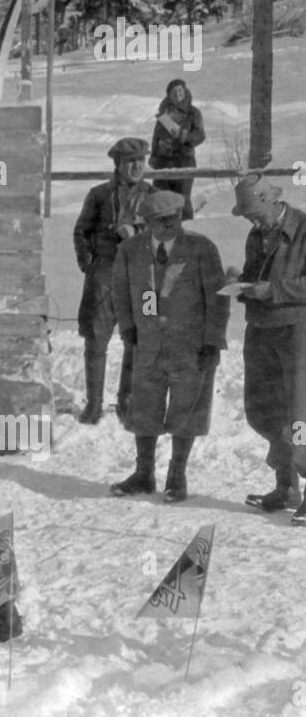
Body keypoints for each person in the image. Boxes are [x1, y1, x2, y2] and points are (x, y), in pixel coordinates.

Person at [109, 190, 228, 501]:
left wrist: (213, 341)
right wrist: (128, 328)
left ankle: (177, 476)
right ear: (147, 222)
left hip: (191, 346)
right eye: (161, 221)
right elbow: (120, 292)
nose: (169, 226)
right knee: (144, 407)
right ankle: (144, 474)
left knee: (188, 408)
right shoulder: (130, 250)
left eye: (174, 219)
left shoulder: (201, 249)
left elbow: (218, 299)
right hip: (147, 344)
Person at [230, 175, 306, 523]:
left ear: (272, 201)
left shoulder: (304, 228)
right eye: (247, 217)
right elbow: (253, 274)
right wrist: (239, 283)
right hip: (260, 330)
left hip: (297, 332)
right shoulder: (255, 234)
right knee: (262, 410)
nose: (252, 221)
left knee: (299, 415)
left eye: (255, 213)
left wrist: (271, 290)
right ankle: (285, 485)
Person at [72, 137, 155, 424]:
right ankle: (94, 404)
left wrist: (137, 230)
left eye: (141, 161)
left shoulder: (153, 196)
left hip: (140, 277)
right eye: (130, 161)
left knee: (137, 339)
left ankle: (126, 401)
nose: (136, 166)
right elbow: (81, 231)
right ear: (118, 165)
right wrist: (89, 263)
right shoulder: (99, 195)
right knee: (96, 338)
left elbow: (165, 232)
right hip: (104, 276)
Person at [150, 79, 205, 220]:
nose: (177, 94)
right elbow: (156, 137)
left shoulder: (193, 113)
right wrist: (154, 157)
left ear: (185, 92)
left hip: (184, 161)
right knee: (160, 198)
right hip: (163, 161)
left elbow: (200, 135)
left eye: (180, 90)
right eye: (174, 91)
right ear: (169, 95)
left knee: (182, 199)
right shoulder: (164, 114)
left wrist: (184, 136)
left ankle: (186, 231)